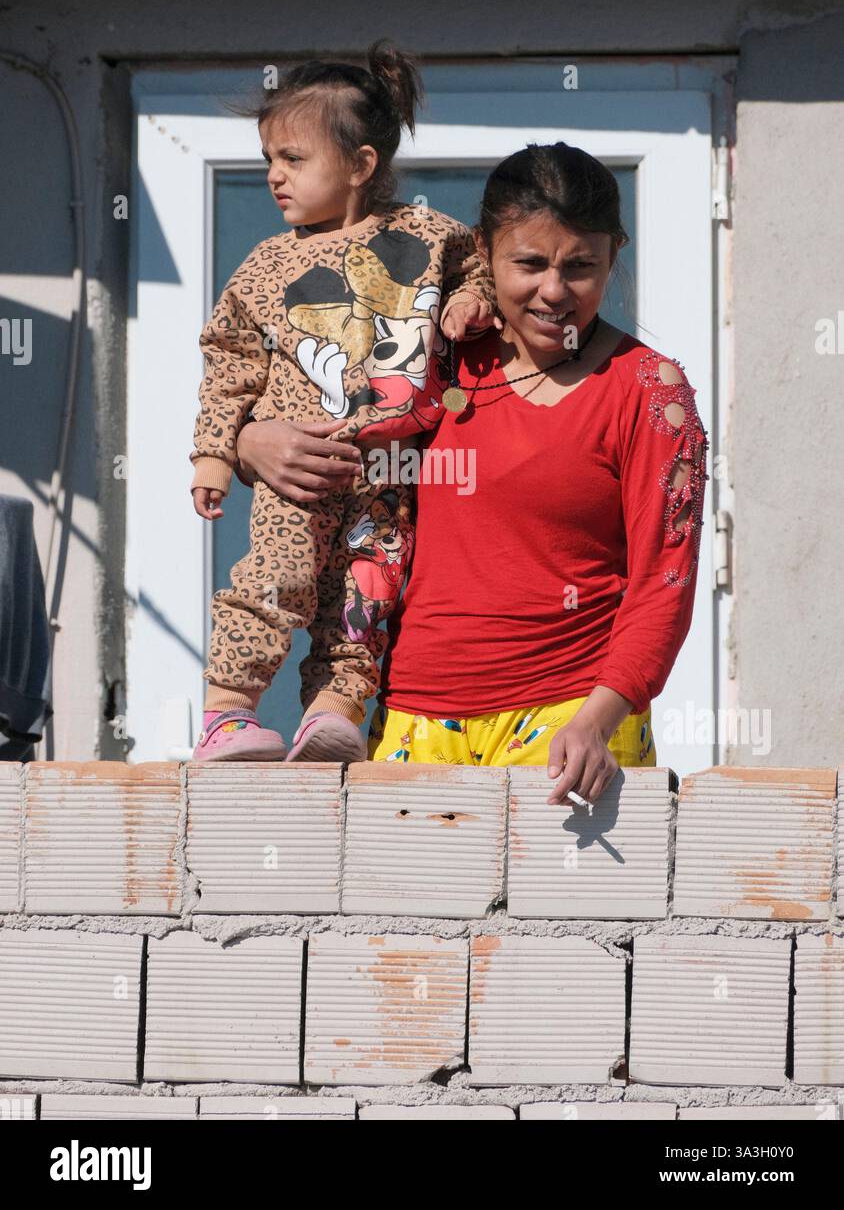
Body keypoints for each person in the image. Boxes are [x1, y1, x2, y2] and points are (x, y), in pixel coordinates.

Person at [238, 142, 709, 807]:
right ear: (483, 251)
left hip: (573, 722)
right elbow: (310, 410)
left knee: (568, 915)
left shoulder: (650, 393)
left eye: (581, 266)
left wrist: (599, 719)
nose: (554, 290)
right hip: (411, 717)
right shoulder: (432, 358)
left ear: (615, 252)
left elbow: (665, 584)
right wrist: (248, 441)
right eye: (530, 263)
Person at [190, 40, 498, 764]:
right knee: (277, 581)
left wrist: (472, 302)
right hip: (300, 467)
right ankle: (227, 713)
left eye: (292, 159)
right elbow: (229, 361)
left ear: (360, 166)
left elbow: (481, 266)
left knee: (367, 596)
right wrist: (212, 452)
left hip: (391, 473)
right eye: (270, 159)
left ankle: (334, 715)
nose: (273, 176)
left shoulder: (429, 235)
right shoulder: (265, 264)